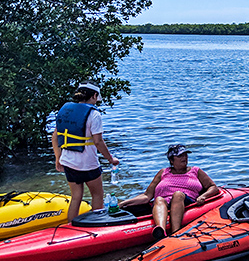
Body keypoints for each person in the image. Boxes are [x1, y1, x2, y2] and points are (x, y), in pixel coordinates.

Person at [51, 82, 119, 222]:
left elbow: (55, 136)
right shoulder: (94, 115)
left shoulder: (65, 110)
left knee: (76, 197)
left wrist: (58, 158)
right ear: (94, 96)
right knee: (97, 195)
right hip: (88, 163)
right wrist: (110, 159)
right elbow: (98, 142)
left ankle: (71, 228)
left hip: (68, 161)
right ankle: (96, 226)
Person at [120, 144, 219, 239]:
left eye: (185, 155)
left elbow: (213, 187)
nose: (184, 157)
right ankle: (161, 230)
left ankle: (175, 232)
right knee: (158, 199)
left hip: (185, 201)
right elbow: (147, 196)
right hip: (165, 203)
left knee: (178, 194)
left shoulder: (195, 171)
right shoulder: (163, 172)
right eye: (180, 156)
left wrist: (204, 196)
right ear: (171, 160)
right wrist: (124, 203)